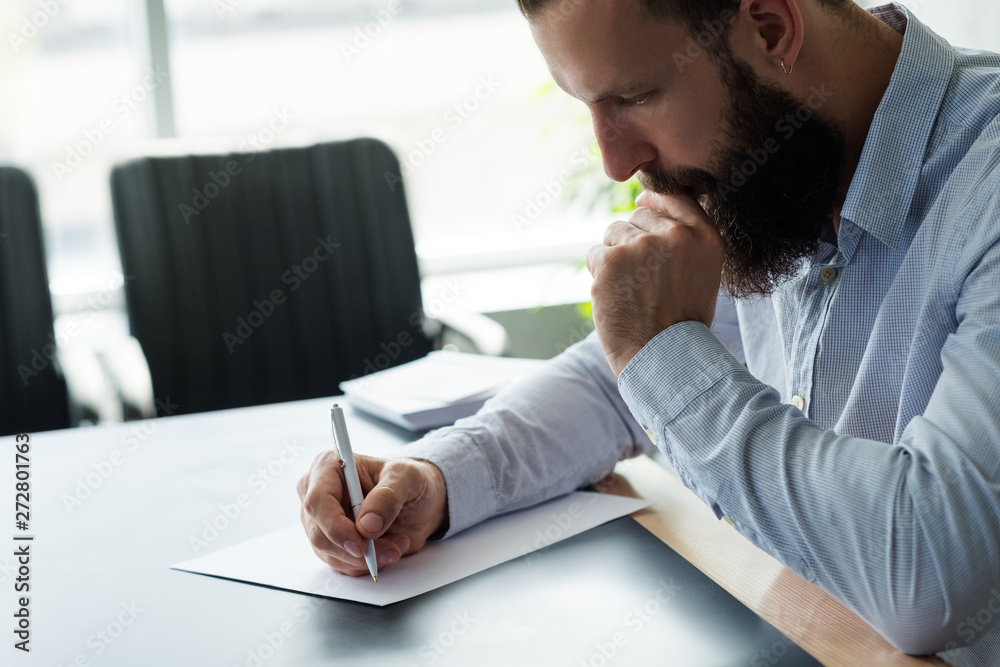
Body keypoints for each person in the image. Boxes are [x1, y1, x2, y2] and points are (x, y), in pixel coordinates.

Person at [298, 0, 1000, 662]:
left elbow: (930, 569)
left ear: (769, 26)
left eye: (633, 97)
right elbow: (622, 382)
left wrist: (660, 353)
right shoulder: (785, 165)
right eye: (589, 106)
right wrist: (436, 476)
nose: (613, 161)